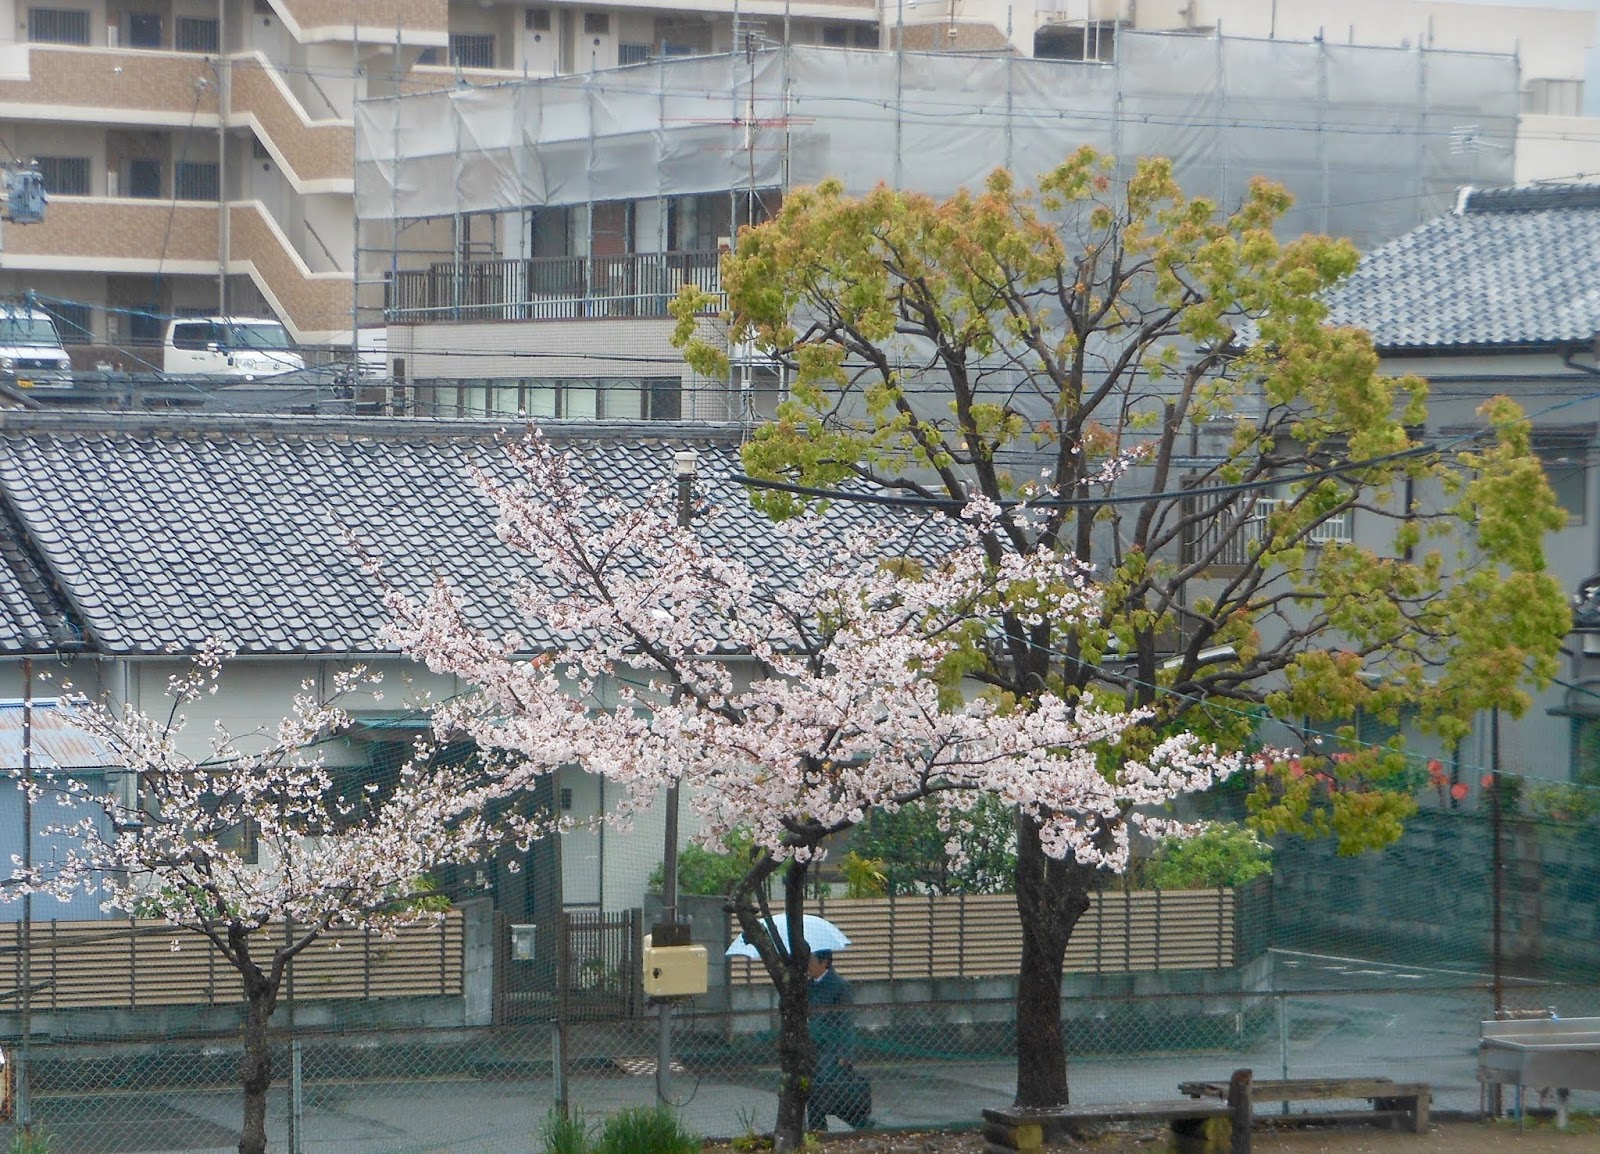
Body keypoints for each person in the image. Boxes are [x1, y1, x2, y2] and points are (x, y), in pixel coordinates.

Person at [806, 948, 871, 1131]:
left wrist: (845, 1054)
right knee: (815, 1091)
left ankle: (860, 1125)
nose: (807, 966)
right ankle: (818, 1129)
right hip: (814, 1049)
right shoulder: (808, 985)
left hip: (832, 1049)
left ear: (824, 962)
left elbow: (846, 1022)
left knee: (826, 1090)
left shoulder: (840, 985)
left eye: (811, 961)